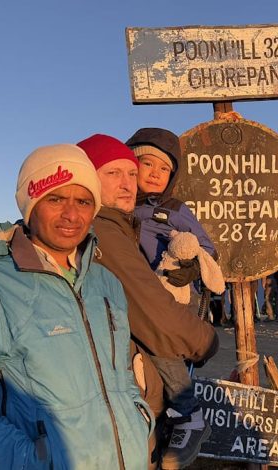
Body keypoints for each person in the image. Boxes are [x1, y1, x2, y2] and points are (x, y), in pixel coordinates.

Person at [0, 144, 152, 469]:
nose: (72, 215)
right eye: (55, 199)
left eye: (83, 201)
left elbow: (121, 376)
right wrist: (33, 460)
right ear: (29, 205)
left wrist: (138, 421)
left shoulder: (106, 284)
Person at [77, 133, 217, 469]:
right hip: (148, 301)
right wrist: (204, 341)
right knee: (158, 347)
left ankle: (186, 413)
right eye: (144, 164)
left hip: (168, 292)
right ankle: (185, 414)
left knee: (162, 348)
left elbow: (206, 247)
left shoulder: (173, 210)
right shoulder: (115, 220)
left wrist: (193, 264)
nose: (150, 173)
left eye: (164, 168)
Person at [128, 128, 216, 282]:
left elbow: (209, 249)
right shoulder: (119, 206)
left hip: (170, 288)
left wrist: (193, 268)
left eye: (164, 168)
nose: (155, 173)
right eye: (148, 164)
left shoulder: (174, 209)